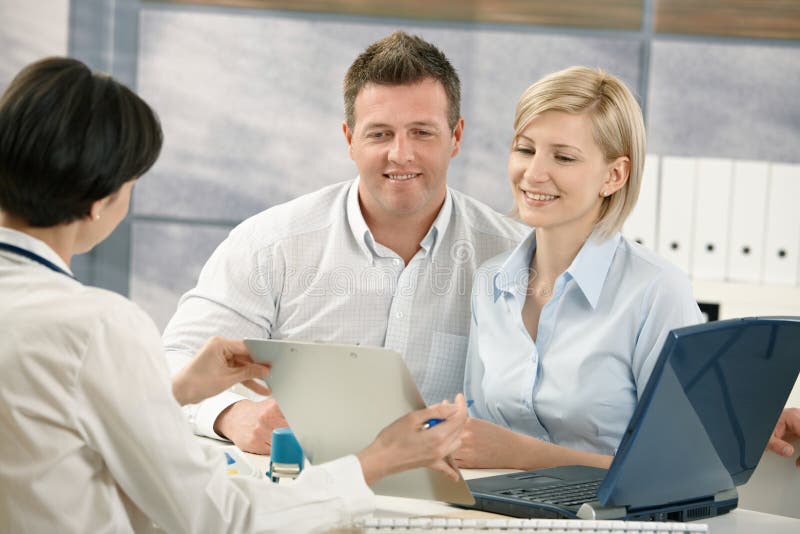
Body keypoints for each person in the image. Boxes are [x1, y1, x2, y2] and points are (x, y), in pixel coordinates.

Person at [0, 57, 468, 533]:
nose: (400, 154)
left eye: (422, 132)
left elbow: (59, 419)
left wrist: (180, 392)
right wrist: (379, 459)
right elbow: (222, 518)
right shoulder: (98, 327)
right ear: (101, 200)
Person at [162, 31, 528, 453]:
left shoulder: (515, 256)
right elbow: (176, 360)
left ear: (456, 136)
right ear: (349, 139)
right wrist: (231, 414)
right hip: (302, 485)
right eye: (380, 134)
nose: (401, 154)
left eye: (422, 132)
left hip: (458, 490)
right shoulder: (269, 245)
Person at [457, 66, 800, 472]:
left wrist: (527, 456)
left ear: (614, 175)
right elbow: (478, 433)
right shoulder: (491, 282)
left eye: (563, 157)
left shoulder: (655, 291)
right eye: (525, 149)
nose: (532, 173)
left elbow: (685, 466)